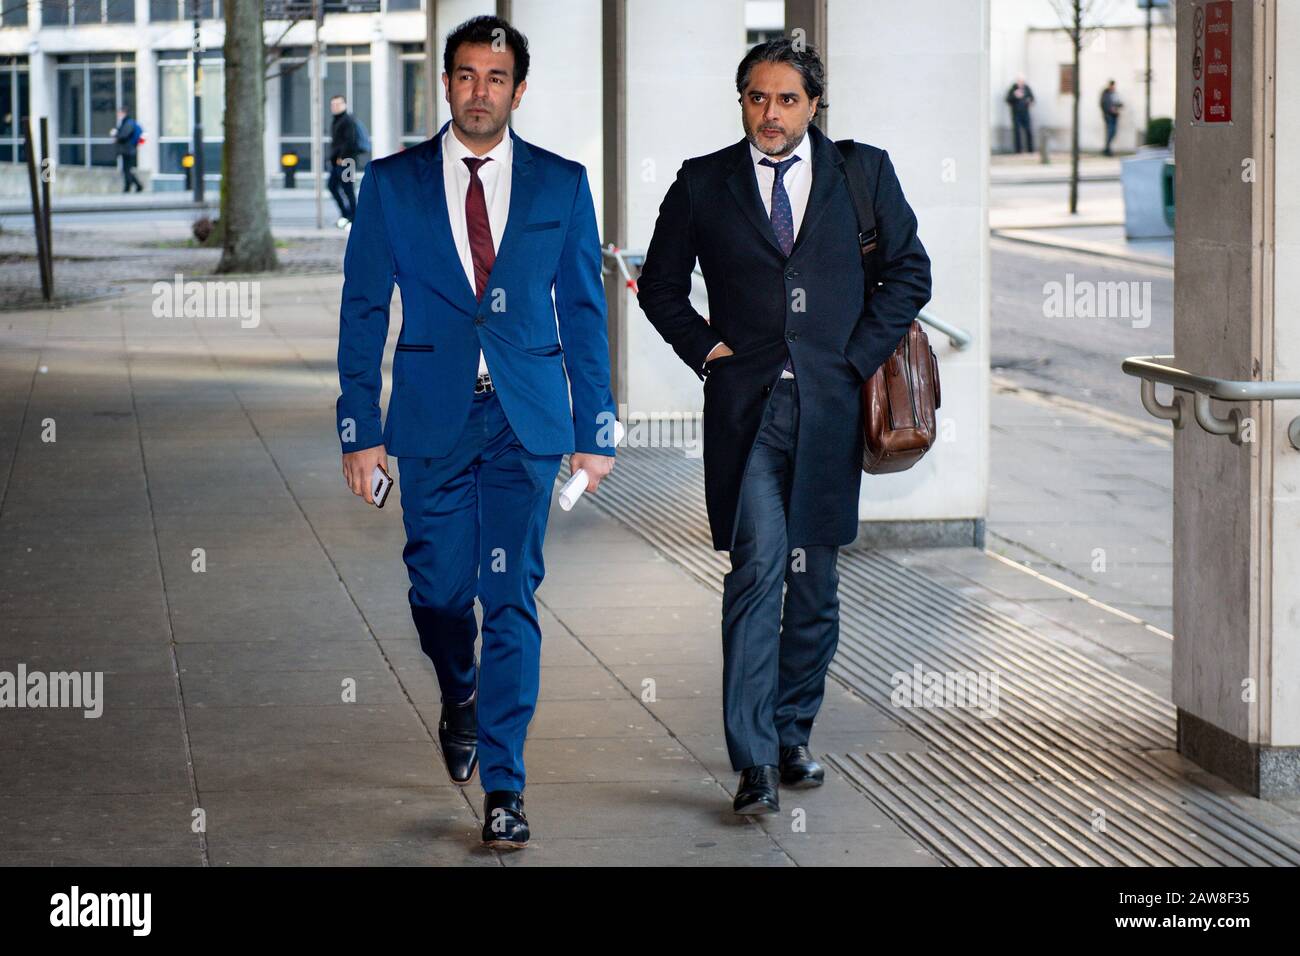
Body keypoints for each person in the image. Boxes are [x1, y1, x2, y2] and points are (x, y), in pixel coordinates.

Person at [335, 14, 615, 850]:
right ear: (446, 82)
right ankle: (458, 687)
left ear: (518, 90)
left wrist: (594, 427)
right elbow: (361, 311)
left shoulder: (561, 185)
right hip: (429, 418)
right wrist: (359, 428)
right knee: (439, 590)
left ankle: (506, 784)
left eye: (496, 77)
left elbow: (585, 314)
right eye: (465, 75)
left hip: (524, 419)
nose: (479, 90)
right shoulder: (393, 184)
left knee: (512, 596)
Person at [637, 37, 931, 815]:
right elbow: (659, 286)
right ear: (741, 101)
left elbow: (911, 272)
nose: (771, 114)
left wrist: (853, 358)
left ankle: (794, 728)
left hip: (829, 412)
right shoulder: (702, 184)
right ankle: (754, 758)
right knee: (756, 572)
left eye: (787, 100)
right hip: (749, 413)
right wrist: (708, 349)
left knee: (815, 585)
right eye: (757, 98)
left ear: (813, 105)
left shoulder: (861, 174)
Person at [328, 95, 362, 227]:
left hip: (346, 161)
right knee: (332, 186)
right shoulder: (336, 120)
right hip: (338, 161)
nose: (335, 107)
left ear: (344, 105)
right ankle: (346, 214)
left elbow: (350, 141)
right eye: (333, 105)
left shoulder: (347, 120)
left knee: (348, 190)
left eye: (338, 104)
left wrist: (342, 157)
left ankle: (353, 217)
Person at [112, 108, 144, 193]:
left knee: (126, 169)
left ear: (123, 113)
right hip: (128, 149)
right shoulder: (125, 123)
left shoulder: (128, 123)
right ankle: (133, 186)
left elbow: (124, 135)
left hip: (128, 150)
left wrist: (117, 136)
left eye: (119, 114)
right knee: (126, 169)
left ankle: (132, 186)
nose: (118, 116)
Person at [1005, 75, 1035, 153]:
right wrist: (1015, 95)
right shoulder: (1013, 89)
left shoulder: (1027, 88)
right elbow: (1007, 100)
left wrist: (1029, 100)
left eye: (1022, 82)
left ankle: (1030, 150)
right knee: (1017, 132)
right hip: (1016, 114)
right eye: (1019, 81)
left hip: (1025, 113)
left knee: (1028, 131)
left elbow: (1032, 98)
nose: (1021, 83)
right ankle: (1018, 151)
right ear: (1017, 82)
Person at [1100, 80, 1123, 156]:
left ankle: (1107, 148)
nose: (1113, 87)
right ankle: (1107, 149)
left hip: (1115, 116)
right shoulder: (1105, 94)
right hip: (1108, 116)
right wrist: (1110, 110)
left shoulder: (1115, 94)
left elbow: (1119, 103)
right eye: (1112, 85)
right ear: (1109, 85)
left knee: (1113, 132)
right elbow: (1103, 104)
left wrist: (1118, 106)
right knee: (1110, 132)